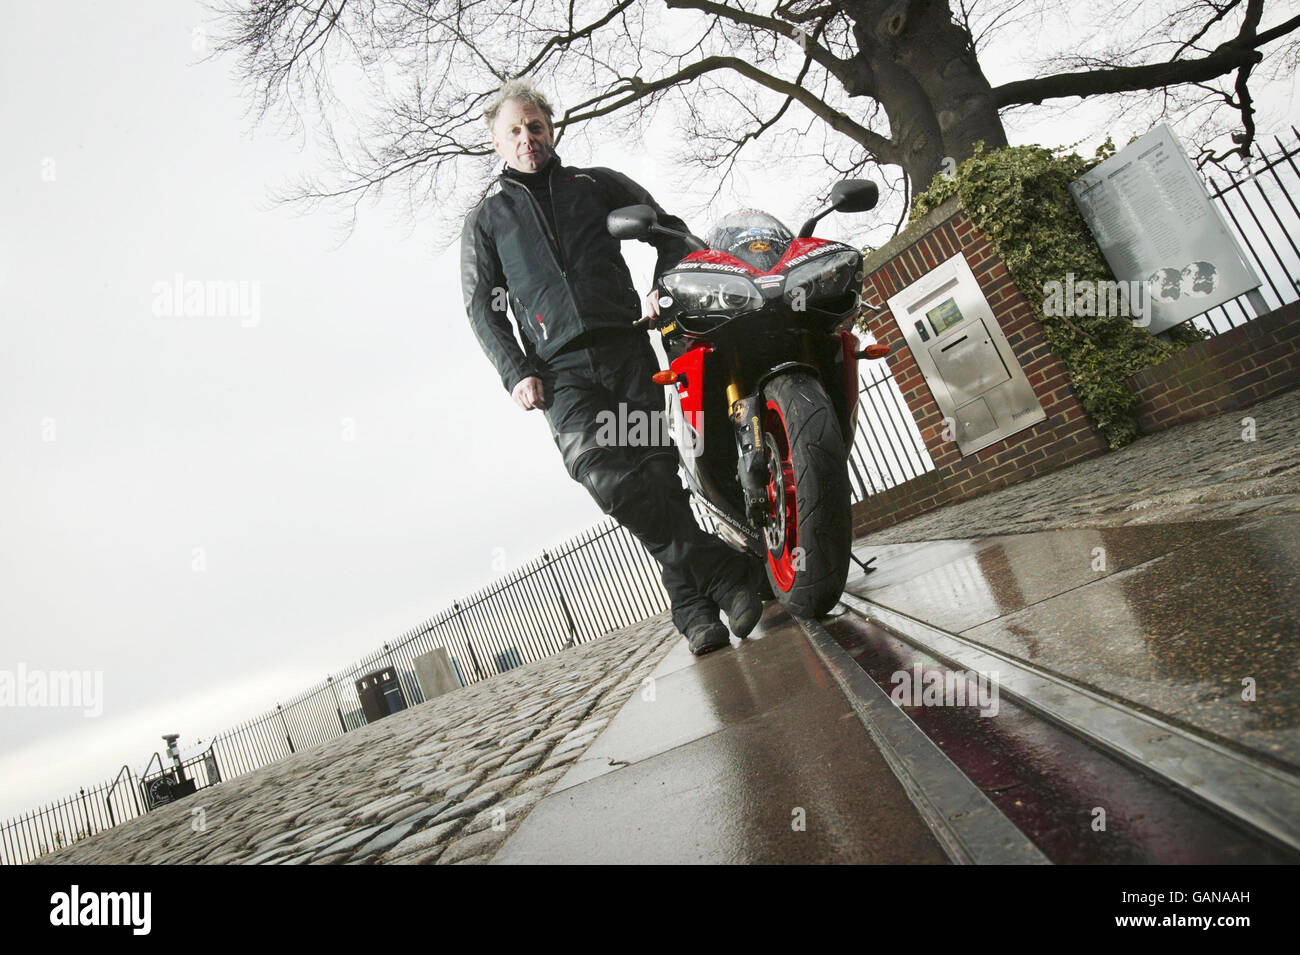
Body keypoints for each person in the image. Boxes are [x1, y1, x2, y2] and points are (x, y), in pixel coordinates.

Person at [460, 79, 762, 656]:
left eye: (536, 126)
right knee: (604, 477)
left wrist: (659, 289)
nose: (528, 139)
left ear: (552, 129)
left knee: (656, 478)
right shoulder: (487, 219)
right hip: (560, 371)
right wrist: (515, 369)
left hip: (627, 351)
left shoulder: (594, 185)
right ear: (496, 143)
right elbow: (481, 306)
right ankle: (726, 571)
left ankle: (694, 610)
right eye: (514, 132)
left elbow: (669, 228)